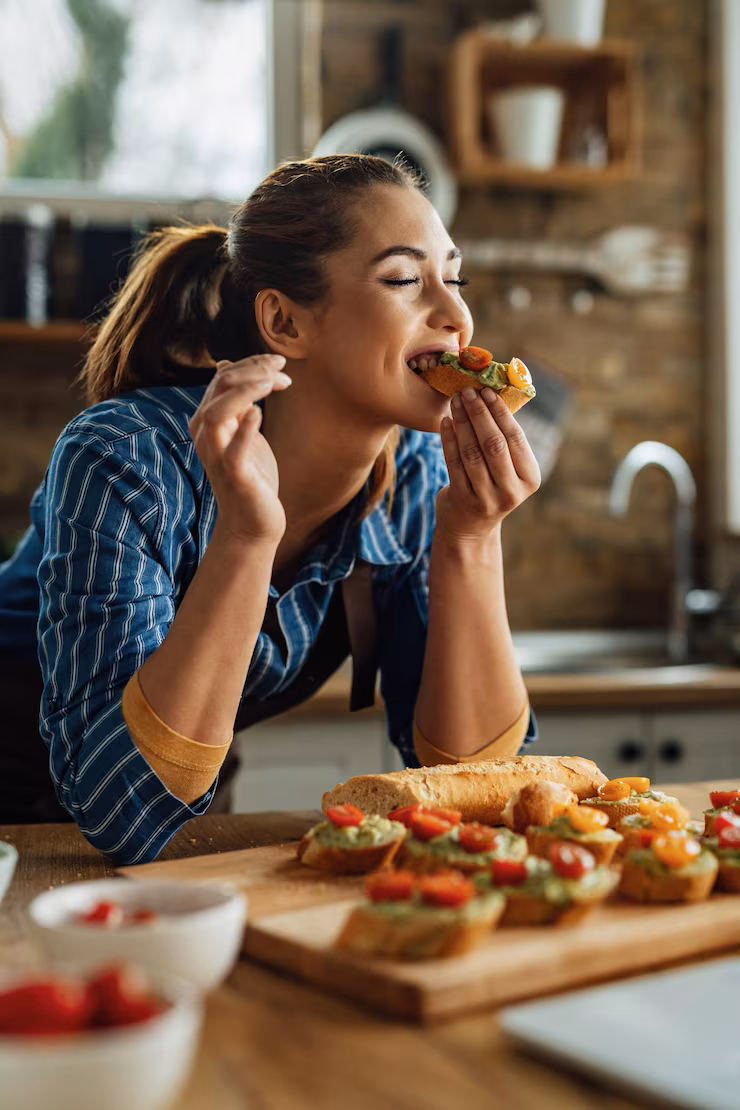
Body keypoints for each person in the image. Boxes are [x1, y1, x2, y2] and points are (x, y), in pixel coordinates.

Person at [0, 155, 540, 863]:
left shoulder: (413, 479)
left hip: (177, 802)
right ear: (284, 321)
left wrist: (473, 537)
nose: (455, 315)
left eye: (454, 277)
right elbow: (118, 808)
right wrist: (247, 537)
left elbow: (477, 789)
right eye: (406, 279)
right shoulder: (125, 457)